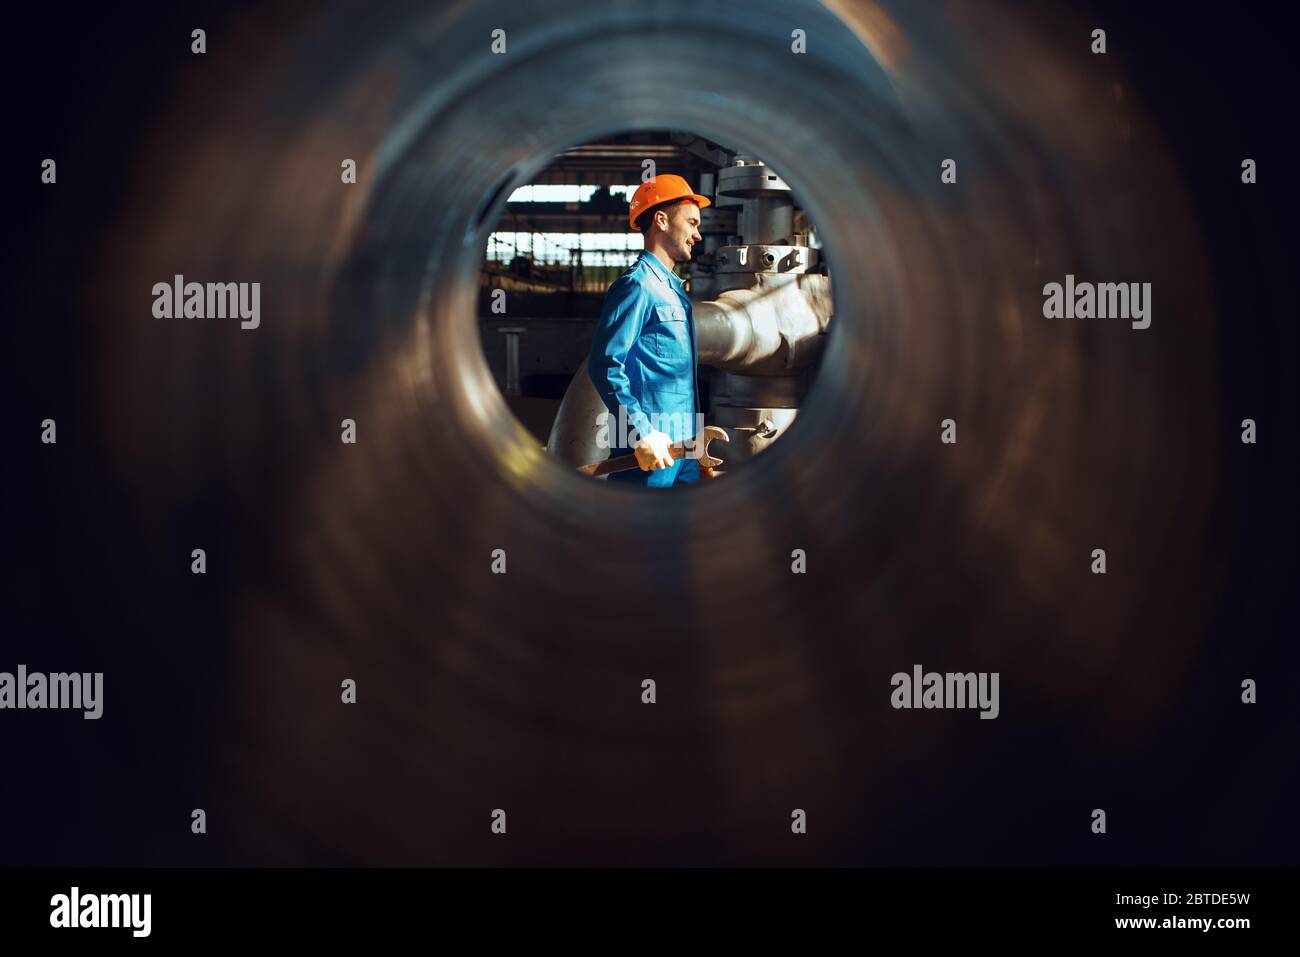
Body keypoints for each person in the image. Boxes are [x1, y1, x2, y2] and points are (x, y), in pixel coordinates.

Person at [587, 174, 713, 487]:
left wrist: (695, 446)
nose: (698, 234)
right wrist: (640, 433)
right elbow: (605, 364)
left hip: (682, 451)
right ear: (661, 220)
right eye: (692, 222)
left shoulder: (673, 290)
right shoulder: (638, 286)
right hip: (650, 452)